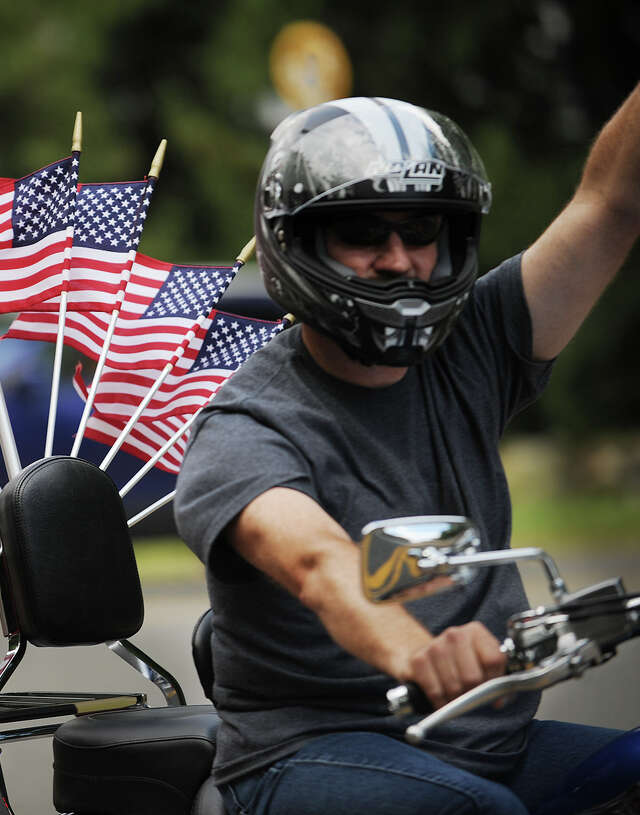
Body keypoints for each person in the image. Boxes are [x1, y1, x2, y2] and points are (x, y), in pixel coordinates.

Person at [175, 89, 640, 815]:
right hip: (310, 751)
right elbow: (319, 563)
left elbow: (612, 201)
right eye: (363, 232)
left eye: (421, 229)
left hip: (488, 745)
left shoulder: (472, 346)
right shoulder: (245, 428)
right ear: (296, 243)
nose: (400, 260)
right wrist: (413, 648)